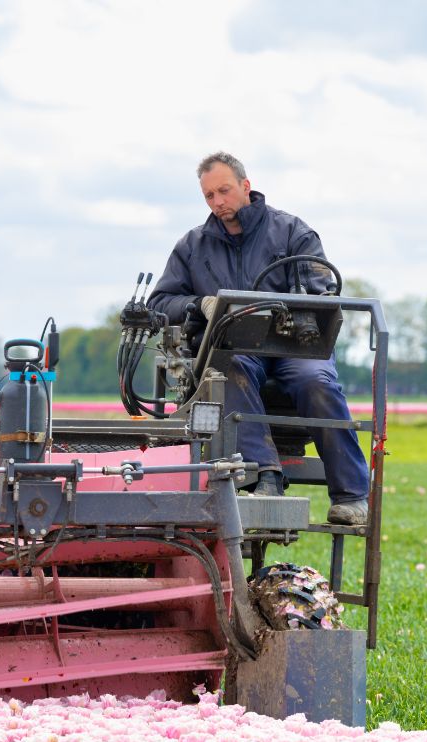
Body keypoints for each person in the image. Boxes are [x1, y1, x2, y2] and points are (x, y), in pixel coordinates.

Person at [147, 152, 370, 525]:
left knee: (316, 380)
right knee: (225, 368)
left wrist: (292, 313)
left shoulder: (293, 232)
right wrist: (199, 304)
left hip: (293, 347)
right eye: (209, 195)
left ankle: (352, 496)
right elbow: (160, 302)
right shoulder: (193, 246)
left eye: (224, 190)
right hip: (235, 346)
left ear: (245, 186)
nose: (217, 201)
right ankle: (265, 475)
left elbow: (321, 292)